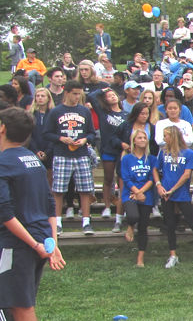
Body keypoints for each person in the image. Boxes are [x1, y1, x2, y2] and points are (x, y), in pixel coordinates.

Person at [0, 107, 66, 321]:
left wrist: (38, 246)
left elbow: (6, 214)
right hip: (36, 241)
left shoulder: (4, 163)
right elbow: (50, 205)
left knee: (19, 306)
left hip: (17, 246)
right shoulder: (32, 159)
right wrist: (51, 244)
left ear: (2, 128)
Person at [43, 81, 96, 235]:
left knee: (85, 189)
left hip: (81, 154)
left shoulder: (84, 111)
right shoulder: (56, 111)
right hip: (62, 154)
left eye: (79, 94)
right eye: (74, 93)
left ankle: (86, 222)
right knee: (58, 190)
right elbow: (47, 133)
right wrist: (61, 138)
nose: (77, 97)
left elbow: (92, 133)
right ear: (66, 93)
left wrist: (85, 140)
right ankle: (57, 222)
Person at [154, 125, 193, 269]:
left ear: (173, 137)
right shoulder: (163, 152)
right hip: (166, 193)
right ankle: (173, 254)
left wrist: (173, 190)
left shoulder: (188, 153)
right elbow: (155, 169)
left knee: (192, 222)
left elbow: (186, 175)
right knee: (170, 224)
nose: (164, 139)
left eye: (166, 136)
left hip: (181, 193)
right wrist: (159, 185)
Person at [89, 87, 127, 228]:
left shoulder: (126, 114)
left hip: (122, 151)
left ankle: (121, 209)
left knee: (122, 179)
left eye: (114, 94)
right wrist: (104, 89)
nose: (112, 97)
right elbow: (92, 97)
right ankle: (106, 206)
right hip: (108, 149)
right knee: (108, 178)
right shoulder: (103, 113)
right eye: (109, 96)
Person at [119, 129, 156, 267]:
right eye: (139, 138)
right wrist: (136, 192)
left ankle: (140, 258)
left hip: (146, 194)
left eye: (144, 138)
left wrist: (141, 192)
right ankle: (129, 225)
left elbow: (152, 178)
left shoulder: (151, 159)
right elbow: (126, 177)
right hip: (130, 193)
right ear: (134, 140)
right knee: (133, 216)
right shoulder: (127, 158)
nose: (142, 140)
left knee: (143, 226)